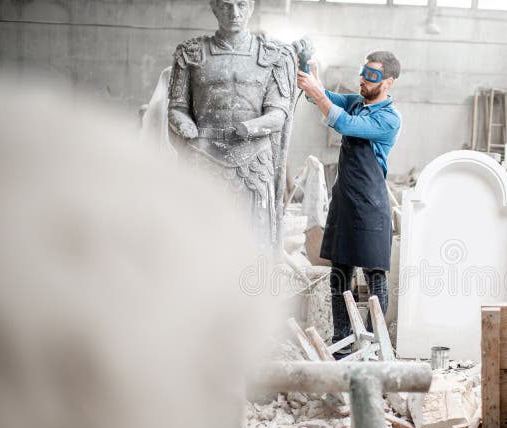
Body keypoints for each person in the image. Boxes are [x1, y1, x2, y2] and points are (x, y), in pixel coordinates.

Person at [168, 0, 297, 252]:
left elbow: (278, 113)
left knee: (252, 241)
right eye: (226, 6)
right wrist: (184, 124)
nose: (234, 13)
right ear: (214, 8)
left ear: (251, 7)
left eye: (241, 4)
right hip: (202, 155)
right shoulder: (191, 53)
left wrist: (249, 127)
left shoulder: (272, 55)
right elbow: (177, 106)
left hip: (253, 162)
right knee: (199, 241)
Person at [297, 51, 402, 358]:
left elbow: (342, 123)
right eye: (363, 72)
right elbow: (326, 98)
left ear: (388, 82)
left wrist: (317, 92)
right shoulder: (356, 101)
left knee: (374, 277)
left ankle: (373, 345)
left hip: (370, 205)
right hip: (345, 200)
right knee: (339, 273)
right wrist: (313, 75)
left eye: (371, 76)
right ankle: (343, 342)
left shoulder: (388, 118)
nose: (362, 79)